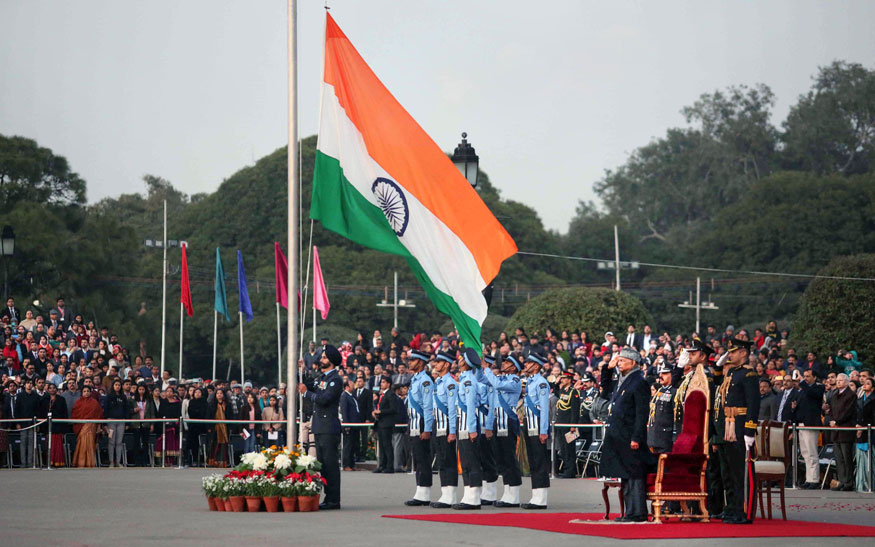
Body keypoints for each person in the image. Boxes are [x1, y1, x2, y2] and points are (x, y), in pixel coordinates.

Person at [600, 348, 652, 522]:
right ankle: (630, 512)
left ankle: (637, 513)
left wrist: (636, 437)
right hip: (619, 435)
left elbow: (641, 413)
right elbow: (605, 389)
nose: (619, 363)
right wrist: (607, 369)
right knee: (625, 474)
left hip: (630, 436)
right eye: (619, 360)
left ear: (633, 363)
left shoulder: (639, 382)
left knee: (634, 474)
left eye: (622, 360)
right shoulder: (623, 380)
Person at [712, 337, 760, 524]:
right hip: (727, 427)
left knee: (739, 471)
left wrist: (749, 430)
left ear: (743, 353)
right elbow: (716, 380)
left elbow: (753, 403)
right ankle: (731, 508)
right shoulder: (731, 373)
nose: (730, 355)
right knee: (727, 471)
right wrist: (719, 364)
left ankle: (743, 511)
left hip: (739, 426)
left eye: (733, 352)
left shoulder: (748, 374)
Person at [298, 343, 343, 510]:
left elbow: (325, 399)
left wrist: (307, 394)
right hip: (319, 426)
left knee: (330, 465)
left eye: (324, 357)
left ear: (331, 361)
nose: (321, 359)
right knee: (323, 464)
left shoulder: (335, 380)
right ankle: (328, 497)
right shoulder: (322, 378)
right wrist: (301, 371)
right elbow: (308, 383)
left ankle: (333, 499)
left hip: (329, 427)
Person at [478, 352, 523, 506]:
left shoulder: (515, 380)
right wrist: (480, 366)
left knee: (509, 458)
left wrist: (487, 368)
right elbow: (481, 379)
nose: (502, 364)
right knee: (500, 459)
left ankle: (514, 494)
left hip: (508, 422)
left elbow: (495, 384)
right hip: (498, 422)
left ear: (513, 366)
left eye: (506, 362)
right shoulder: (501, 378)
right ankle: (507, 492)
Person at [452, 348, 485, 510]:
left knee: (471, 462)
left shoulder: (468, 381)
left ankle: (474, 497)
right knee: (465, 462)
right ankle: (468, 494)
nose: (458, 361)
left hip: (468, 425)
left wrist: (472, 429)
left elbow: (471, 407)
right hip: (462, 425)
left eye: (460, 359)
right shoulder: (464, 379)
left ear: (465, 362)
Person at [403, 349, 435, 506]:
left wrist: (427, 428)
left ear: (421, 363)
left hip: (422, 422)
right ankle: (420, 490)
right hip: (414, 423)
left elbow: (428, 407)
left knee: (423, 459)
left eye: (413, 360)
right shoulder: (415, 379)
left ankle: (425, 492)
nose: (410, 362)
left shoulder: (425, 381)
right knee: (417, 457)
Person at [521, 352, 551, 509]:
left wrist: (544, 430)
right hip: (529, 424)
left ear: (536, 366)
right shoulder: (531, 381)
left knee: (539, 461)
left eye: (529, 363)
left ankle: (541, 498)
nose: (526, 365)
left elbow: (544, 409)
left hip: (538, 425)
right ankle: (535, 496)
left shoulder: (541, 383)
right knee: (533, 460)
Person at [430, 351, 459, 508]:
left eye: (439, 362)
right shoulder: (439, 382)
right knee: (441, 459)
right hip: (437, 424)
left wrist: (452, 431)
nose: (436, 364)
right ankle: (445, 493)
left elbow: (453, 409)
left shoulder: (450, 383)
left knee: (448, 460)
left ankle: (451, 495)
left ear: (447, 364)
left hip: (447, 425)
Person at [793, 368, 825, 489]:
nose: (805, 378)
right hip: (802, 423)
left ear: (814, 377)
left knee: (812, 452)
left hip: (811, 423)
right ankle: (809, 478)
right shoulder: (802, 390)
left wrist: (802, 382)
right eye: (804, 376)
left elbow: (813, 394)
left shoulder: (818, 387)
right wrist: (794, 407)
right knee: (805, 453)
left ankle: (814, 479)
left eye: (808, 376)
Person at [475, 354, 499, 504]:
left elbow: (492, 406)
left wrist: (489, 426)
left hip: (485, 424)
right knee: (479, 458)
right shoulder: (478, 379)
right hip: (477, 423)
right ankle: (484, 491)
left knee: (487, 459)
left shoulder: (490, 382)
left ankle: (490, 492)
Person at [830, 373, 857, 491]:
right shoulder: (834, 395)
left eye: (840, 380)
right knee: (838, 458)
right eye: (837, 380)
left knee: (847, 458)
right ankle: (841, 481)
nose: (838, 382)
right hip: (835, 430)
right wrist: (831, 420)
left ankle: (848, 482)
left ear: (846, 382)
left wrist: (837, 421)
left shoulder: (851, 395)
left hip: (845, 429)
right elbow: (831, 410)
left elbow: (848, 411)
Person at [555, 369, 580, 478]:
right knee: (563, 448)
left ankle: (570, 471)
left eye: (564, 378)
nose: (562, 380)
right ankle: (565, 469)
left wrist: (573, 425)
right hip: (560, 423)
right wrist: (555, 383)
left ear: (569, 379)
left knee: (569, 448)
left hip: (568, 424)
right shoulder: (562, 391)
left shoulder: (573, 392)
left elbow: (575, 410)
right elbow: (555, 393)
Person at [647, 361, 676, 455]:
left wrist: (675, 437)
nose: (661, 375)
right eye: (660, 373)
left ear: (672, 375)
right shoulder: (659, 391)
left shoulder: (674, 392)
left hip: (666, 437)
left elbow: (676, 416)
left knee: (665, 467)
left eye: (665, 373)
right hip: (654, 436)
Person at [71, 385, 104, 467]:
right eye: (84, 391)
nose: (86, 393)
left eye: (88, 391)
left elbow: (99, 415)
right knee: (81, 444)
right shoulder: (78, 402)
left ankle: (90, 463)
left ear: (90, 392)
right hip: (80, 427)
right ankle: (80, 463)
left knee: (89, 444)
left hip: (91, 426)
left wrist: (98, 427)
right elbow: (75, 414)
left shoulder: (94, 403)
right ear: (81, 393)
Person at [372, 376, 397, 474]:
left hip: (387, 423)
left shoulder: (390, 394)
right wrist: (376, 412)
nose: (381, 384)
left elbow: (393, 409)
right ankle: (382, 465)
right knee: (382, 446)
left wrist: (381, 411)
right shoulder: (382, 395)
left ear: (388, 384)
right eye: (381, 382)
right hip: (381, 423)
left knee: (387, 445)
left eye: (383, 382)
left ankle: (389, 466)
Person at [103, 379, 128, 467]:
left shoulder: (123, 397)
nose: (117, 386)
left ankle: (118, 461)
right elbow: (105, 409)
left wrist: (127, 423)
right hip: (111, 421)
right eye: (116, 385)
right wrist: (105, 424)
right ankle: (111, 462)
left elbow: (126, 410)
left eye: (119, 385)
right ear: (113, 386)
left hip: (121, 421)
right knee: (111, 441)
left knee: (119, 442)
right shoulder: (108, 397)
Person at [856, 377, 874, 492]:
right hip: (860, 430)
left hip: (871, 431)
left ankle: (871, 484)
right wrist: (857, 425)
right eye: (864, 383)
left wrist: (862, 426)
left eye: (868, 383)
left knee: (871, 459)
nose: (865, 385)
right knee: (861, 460)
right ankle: (862, 484)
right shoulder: (859, 398)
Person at [44, 383, 68, 467]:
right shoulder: (45, 399)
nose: (52, 389)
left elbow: (65, 413)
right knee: (49, 445)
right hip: (48, 426)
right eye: (50, 388)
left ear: (56, 389)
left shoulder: (61, 399)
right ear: (48, 390)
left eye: (54, 388)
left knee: (58, 446)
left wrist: (64, 427)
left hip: (58, 426)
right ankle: (49, 462)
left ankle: (58, 462)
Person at [340, 378, 360, 471]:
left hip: (355, 424)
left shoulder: (353, 396)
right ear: (347, 387)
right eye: (352, 384)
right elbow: (344, 411)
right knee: (348, 445)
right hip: (349, 424)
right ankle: (346, 464)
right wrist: (346, 424)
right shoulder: (344, 396)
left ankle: (352, 464)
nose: (354, 386)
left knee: (353, 444)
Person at [157, 387, 181, 466]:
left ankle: (171, 461)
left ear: (173, 393)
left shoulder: (177, 403)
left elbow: (178, 414)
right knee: (164, 443)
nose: (169, 393)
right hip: (164, 425)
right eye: (168, 391)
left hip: (174, 426)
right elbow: (160, 413)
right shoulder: (163, 402)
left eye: (171, 391)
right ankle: (164, 461)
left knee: (172, 444)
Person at [208, 388, 230, 467]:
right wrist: (209, 428)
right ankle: (213, 462)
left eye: (221, 393)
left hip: (225, 429)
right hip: (215, 429)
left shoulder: (228, 405)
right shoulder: (212, 405)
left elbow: (231, 417)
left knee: (223, 446)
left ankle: (223, 462)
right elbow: (209, 416)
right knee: (213, 445)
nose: (219, 395)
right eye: (218, 393)